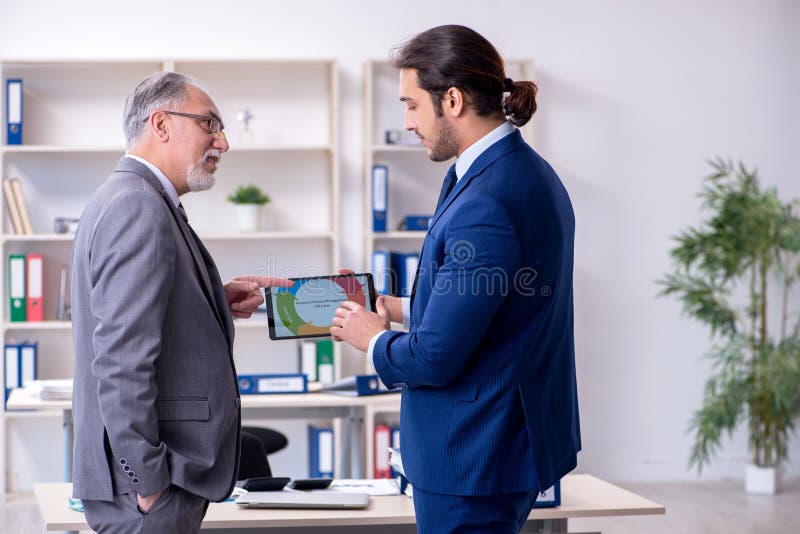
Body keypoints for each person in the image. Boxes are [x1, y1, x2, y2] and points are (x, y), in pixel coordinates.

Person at [331, 25, 581, 533]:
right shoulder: (523, 172)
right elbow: (496, 300)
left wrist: (372, 339)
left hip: (473, 458)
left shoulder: (487, 199)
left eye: (411, 105)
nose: (406, 123)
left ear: (452, 99)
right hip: (496, 446)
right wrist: (398, 307)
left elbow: (434, 357)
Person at [70, 71, 292, 533]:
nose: (223, 142)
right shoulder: (138, 205)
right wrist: (147, 482)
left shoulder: (134, 197)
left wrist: (211, 297)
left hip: (150, 488)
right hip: (148, 494)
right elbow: (120, 362)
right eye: (210, 124)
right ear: (162, 124)